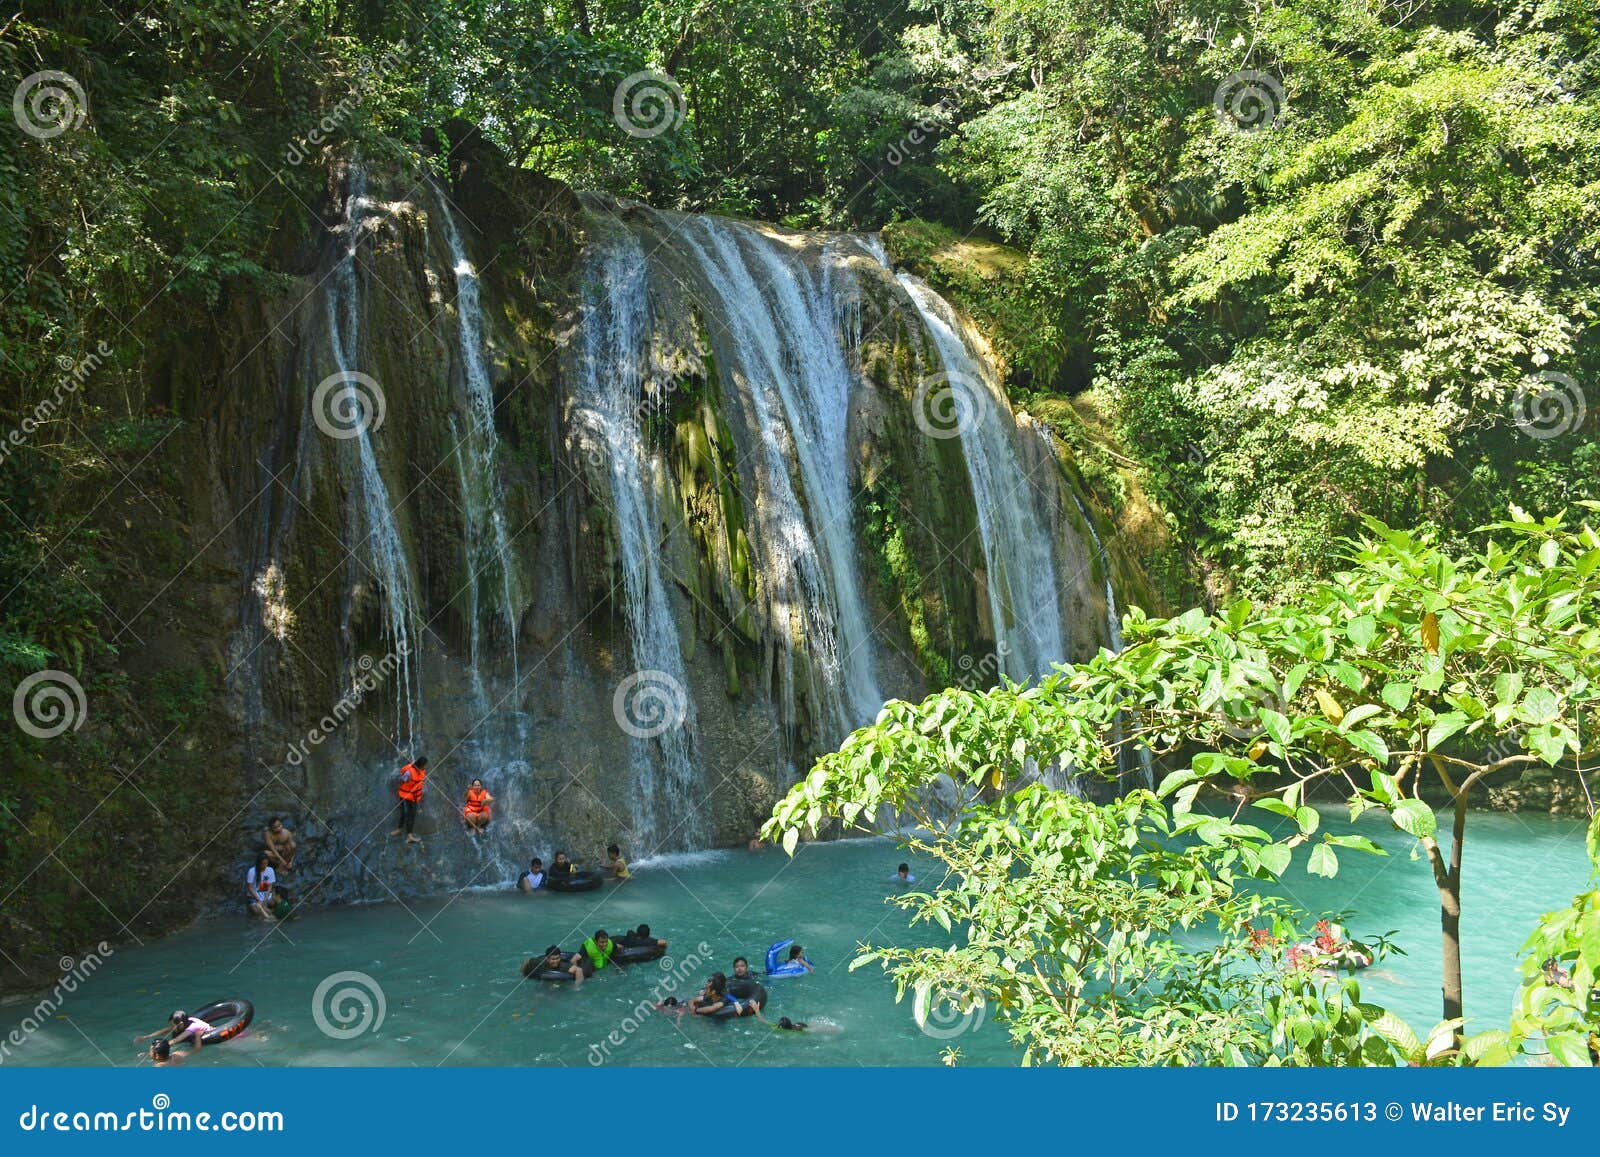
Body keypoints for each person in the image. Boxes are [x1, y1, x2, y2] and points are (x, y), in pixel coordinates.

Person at [137, 1010, 212, 1055]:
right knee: (175, 1033)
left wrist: (154, 1050)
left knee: (176, 1040)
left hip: (210, 1035)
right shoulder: (187, 1021)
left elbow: (175, 1040)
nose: (171, 1027)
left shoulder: (192, 1027)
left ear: (181, 1024)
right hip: (190, 1034)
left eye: (173, 1025)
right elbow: (165, 1030)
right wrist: (146, 1037)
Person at [390, 757, 428, 843]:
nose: (425, 767)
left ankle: (409, 835)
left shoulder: (421, 771)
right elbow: (402, 780)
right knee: (403, 812)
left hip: (414, 797)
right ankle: (399, 829)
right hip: (405, 795)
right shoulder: (409, 772)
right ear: (420, 765)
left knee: (412, 815)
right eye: (424, 765)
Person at [690, 972, 759, 1017]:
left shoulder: (724, 996)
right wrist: (692, 1008)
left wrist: (696, 1010)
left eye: (709, 981)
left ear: (713, 991)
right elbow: (691, 1001)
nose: (706, 987)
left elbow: (712, 1008)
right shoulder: (707, 995)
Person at [523, 945, 589, 985]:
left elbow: (579, 970)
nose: (556, 961)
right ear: (547, 959)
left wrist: (576, 987)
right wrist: (523, 974)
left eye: (557, 958)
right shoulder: (540, 961)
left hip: (558, 981)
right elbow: (527, 961)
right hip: (545, 977)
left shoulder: (563, 966)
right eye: (553, 959)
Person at [246, 852, 277, 921]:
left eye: (266, 863)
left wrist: (265, 898)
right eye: (263, 864)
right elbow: (250, 888)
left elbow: (270, 886)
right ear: (258, 863)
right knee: (256, 910)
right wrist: (258, 899)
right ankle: (267, 914)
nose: (264, 866)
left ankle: (266, 913)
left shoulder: (270, 870)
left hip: (265, 892)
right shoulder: (251, 871)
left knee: (273, 902)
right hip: (254, 894)